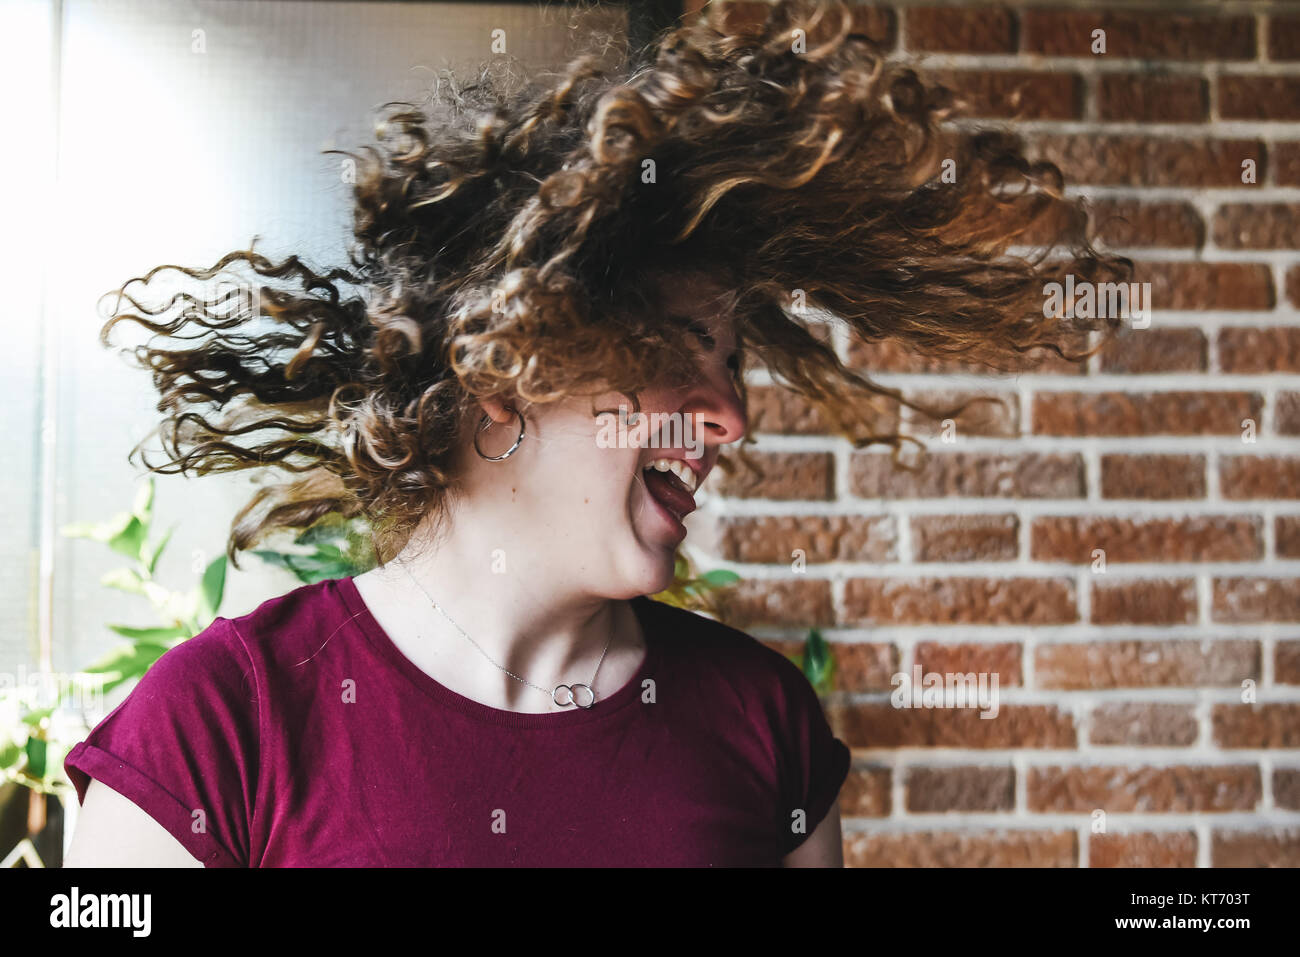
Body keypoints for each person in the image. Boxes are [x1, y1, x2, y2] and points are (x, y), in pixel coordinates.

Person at [62, 0, 1128, 867]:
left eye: (731, 362)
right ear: (502, 376)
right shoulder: (213, 733)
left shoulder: (762, 726)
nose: (731, 418)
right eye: (675, 352)